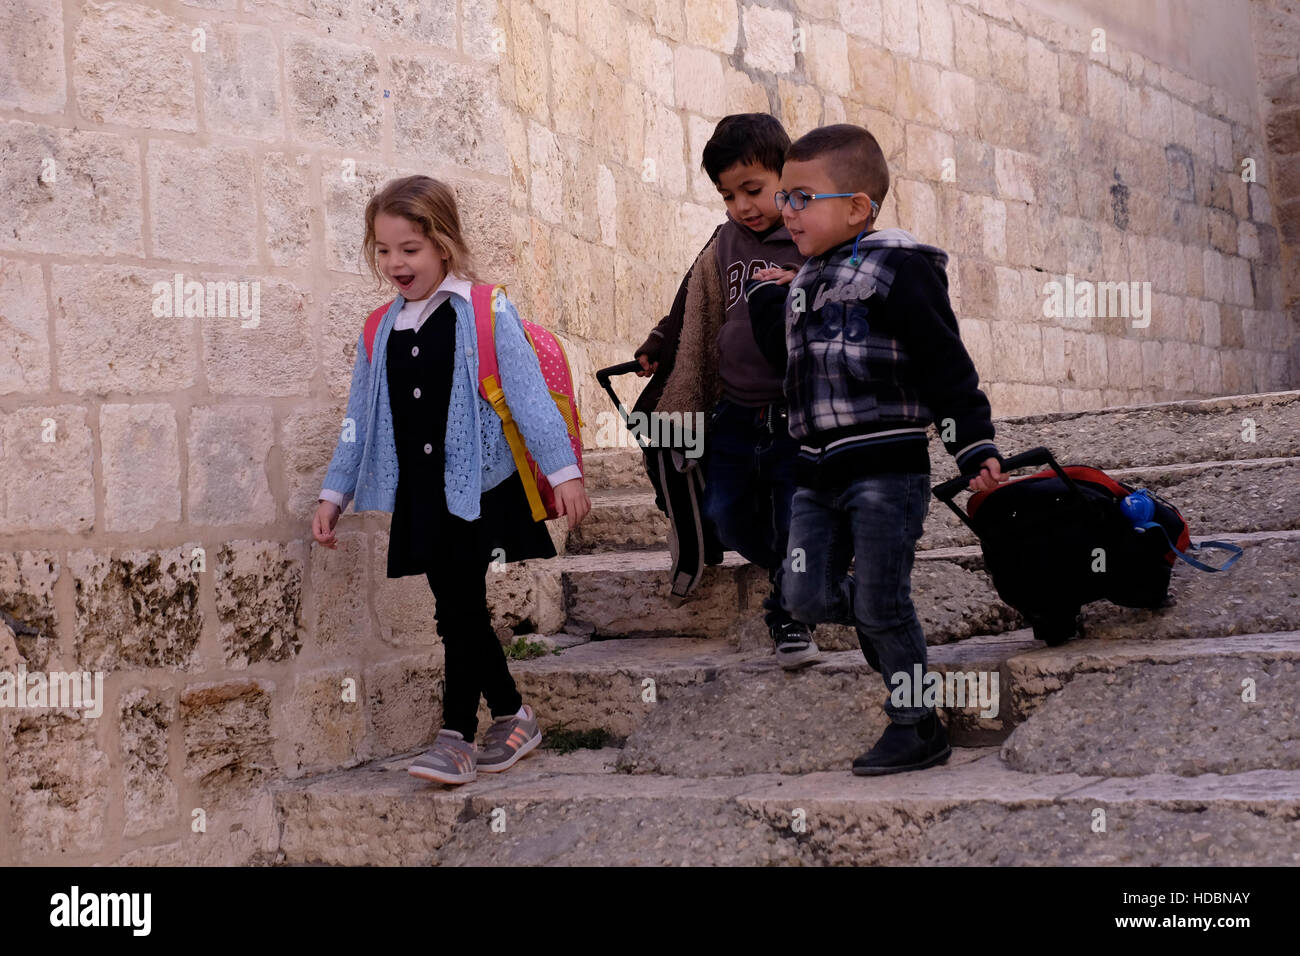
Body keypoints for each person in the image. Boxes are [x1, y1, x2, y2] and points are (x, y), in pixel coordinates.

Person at [311, 175, 590, 785]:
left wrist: (564, 471)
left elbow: (529, 398)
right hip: (421, 492)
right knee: (455, 610)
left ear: (443, 243)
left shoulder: (484, 310)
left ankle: (456, 735)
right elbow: (360, 418)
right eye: (383, 250)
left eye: (409, 248)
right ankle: (514, 715)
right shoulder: (378, 328)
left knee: (458, 608)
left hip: (479, 486)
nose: (395, 263)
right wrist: (336, 491)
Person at [770, 124, 1010, 775]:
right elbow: (800, 382)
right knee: (802, 596)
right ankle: (884, 621)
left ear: (856, 208)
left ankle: (917, 723)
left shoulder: (900, 268)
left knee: (880, 599)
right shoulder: (801, 282)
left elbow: (944, 366)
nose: (785, 211)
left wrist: (972, 445)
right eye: (783, 197)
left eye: (802, 198)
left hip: (886, 472)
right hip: (816, 476)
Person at [633, 113, 815, 667]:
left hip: (796, 409)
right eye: (728, 195)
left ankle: (791, 614)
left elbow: (848, 278)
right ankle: (803, 560)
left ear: (787, 175)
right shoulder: (725, 241)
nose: (742, 205)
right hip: (735, 409)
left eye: (753, 190)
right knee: (725, 510)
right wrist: (661, 341)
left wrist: (802, 281)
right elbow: (693, 299)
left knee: (792, 510)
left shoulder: (811, 233)